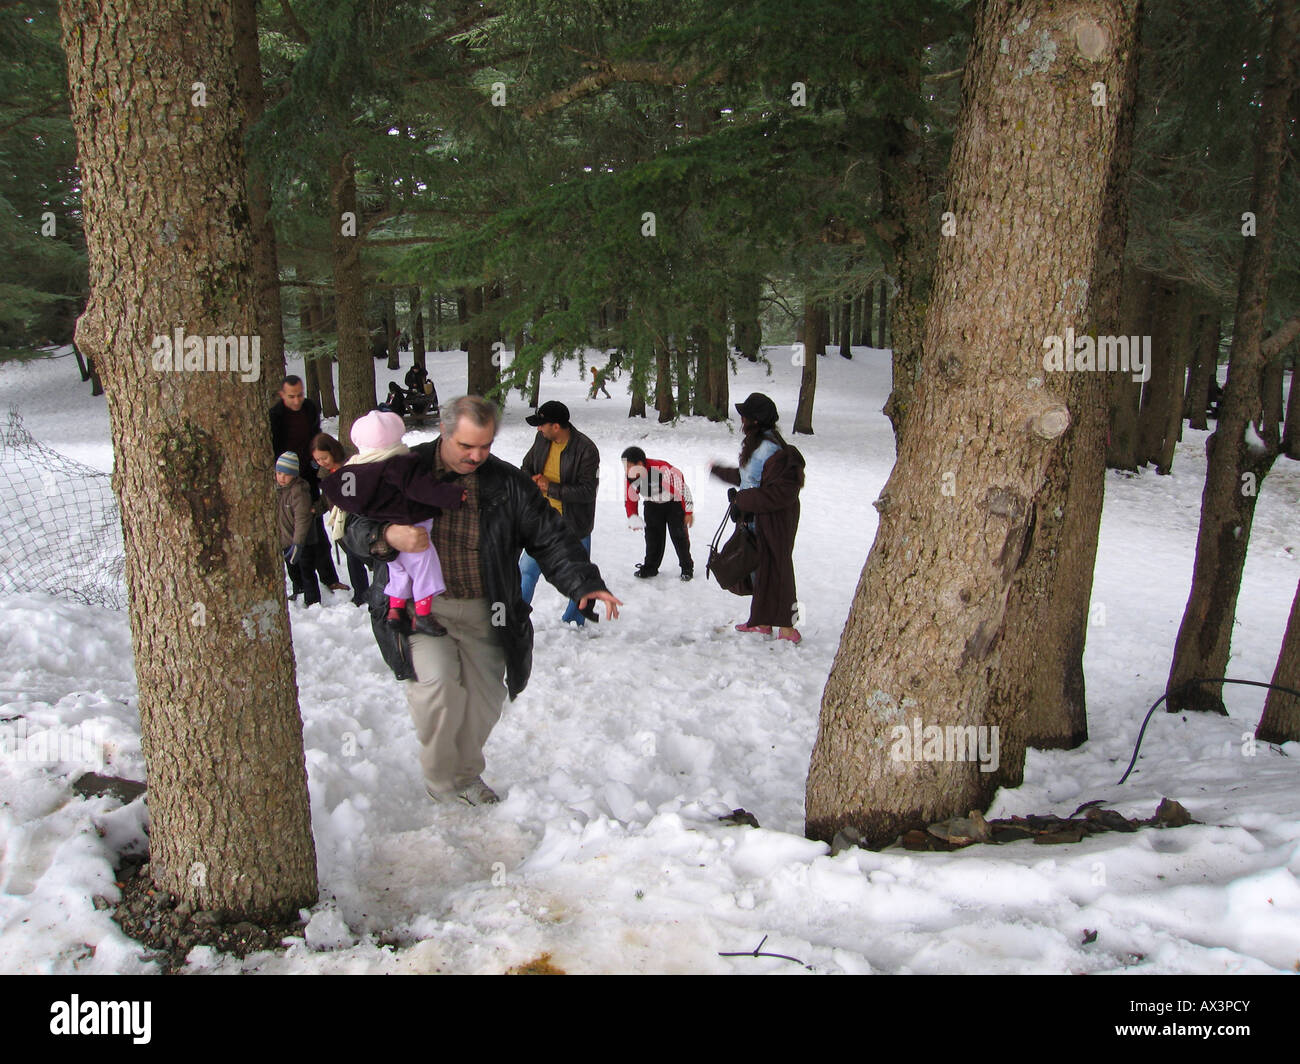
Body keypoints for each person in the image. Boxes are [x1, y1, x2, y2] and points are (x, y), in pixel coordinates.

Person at [340, 396, 622, 805]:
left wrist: (583, 581)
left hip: (486, 609)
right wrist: (385, 537)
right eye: (466, 446)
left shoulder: (508, 484)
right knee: (438, 689)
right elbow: (355, 525)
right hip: (422, 612)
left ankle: (465, 773)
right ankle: (441, 782)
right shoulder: (401, 469)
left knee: (486, 699)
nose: (476, 456)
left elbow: (549, 535)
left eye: (485, 446)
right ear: (444, 432)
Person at [320, 412, 465, 636]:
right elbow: (424, 489)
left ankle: (395, 612)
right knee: (425, 567)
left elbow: (342, 494)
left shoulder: (356, 470)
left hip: (386, 530)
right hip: (412, 525)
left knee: (398, 571)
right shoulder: (399, 466)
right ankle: (423, 615)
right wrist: (454, 496)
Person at [708, 392, 805, 643]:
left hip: (774, 522)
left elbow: (780, 494)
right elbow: (749, 478)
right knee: (759, 569)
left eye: (745, 416)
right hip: (756, 520)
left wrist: (742, 500)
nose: (742, 420)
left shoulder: (775, 451)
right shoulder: (757, 443)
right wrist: (720, 472)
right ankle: (762, 622)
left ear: (755, 420)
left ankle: (788, 629)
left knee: (777, 570)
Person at [518, 400, 600, 626]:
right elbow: (526, 466)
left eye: (542, 424)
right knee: (526, 569)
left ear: (556, 426)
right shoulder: (541, 440)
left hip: (573, 524)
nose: (538, 429)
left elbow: (588, 491)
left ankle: (574, 619)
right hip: (542, 521)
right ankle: (517, 614)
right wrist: (531, 479)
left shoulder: (586, 449)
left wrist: (549, 488)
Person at [270, 375, 348, 593]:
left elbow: (315, 436)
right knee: (293, 529)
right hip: (286, 475)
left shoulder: (310, 408)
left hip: (310, 473)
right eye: (291, 397)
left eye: (300, 395)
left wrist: (316, 465)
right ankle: (301, 583)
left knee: (315, 525)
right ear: (282, 395)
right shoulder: (275, 416)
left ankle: (328, 577)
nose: (297, 401)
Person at [311, 432, 371, 607]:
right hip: (341, 521)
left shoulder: (349, 465)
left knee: (363, 554)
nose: (322, 462)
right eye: (318, 460)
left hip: (357, 517)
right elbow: (327, 497)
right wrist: (317, 508)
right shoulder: (326, 472)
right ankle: (361, 592)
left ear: (333, 452)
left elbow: (350, 496)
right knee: (352, 557)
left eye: (324, 458)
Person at [621, 446, 694, 581]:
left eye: (629, 467)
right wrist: (632, 516)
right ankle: (650, 567)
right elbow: (630, 498)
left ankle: (687, 567)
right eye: (625, 467)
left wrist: (688, 511)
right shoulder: (631, 477)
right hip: (652, 506)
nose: (626, 471)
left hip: (673, 504)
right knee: (652, 538)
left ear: (640, 464)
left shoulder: (663, 470)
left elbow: (683, 490)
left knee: (679, 536)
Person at [275, 452, 320, 607]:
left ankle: (313, 601)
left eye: (286, 475)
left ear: (294, 475)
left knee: (307, 571)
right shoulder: (278, 491)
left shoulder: (299, 492)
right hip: (287, 540)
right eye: (279, 473)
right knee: (293, 570)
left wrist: (298, 543)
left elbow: (302, 519)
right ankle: (298, 592)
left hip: (303, 541)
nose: (281, 478)